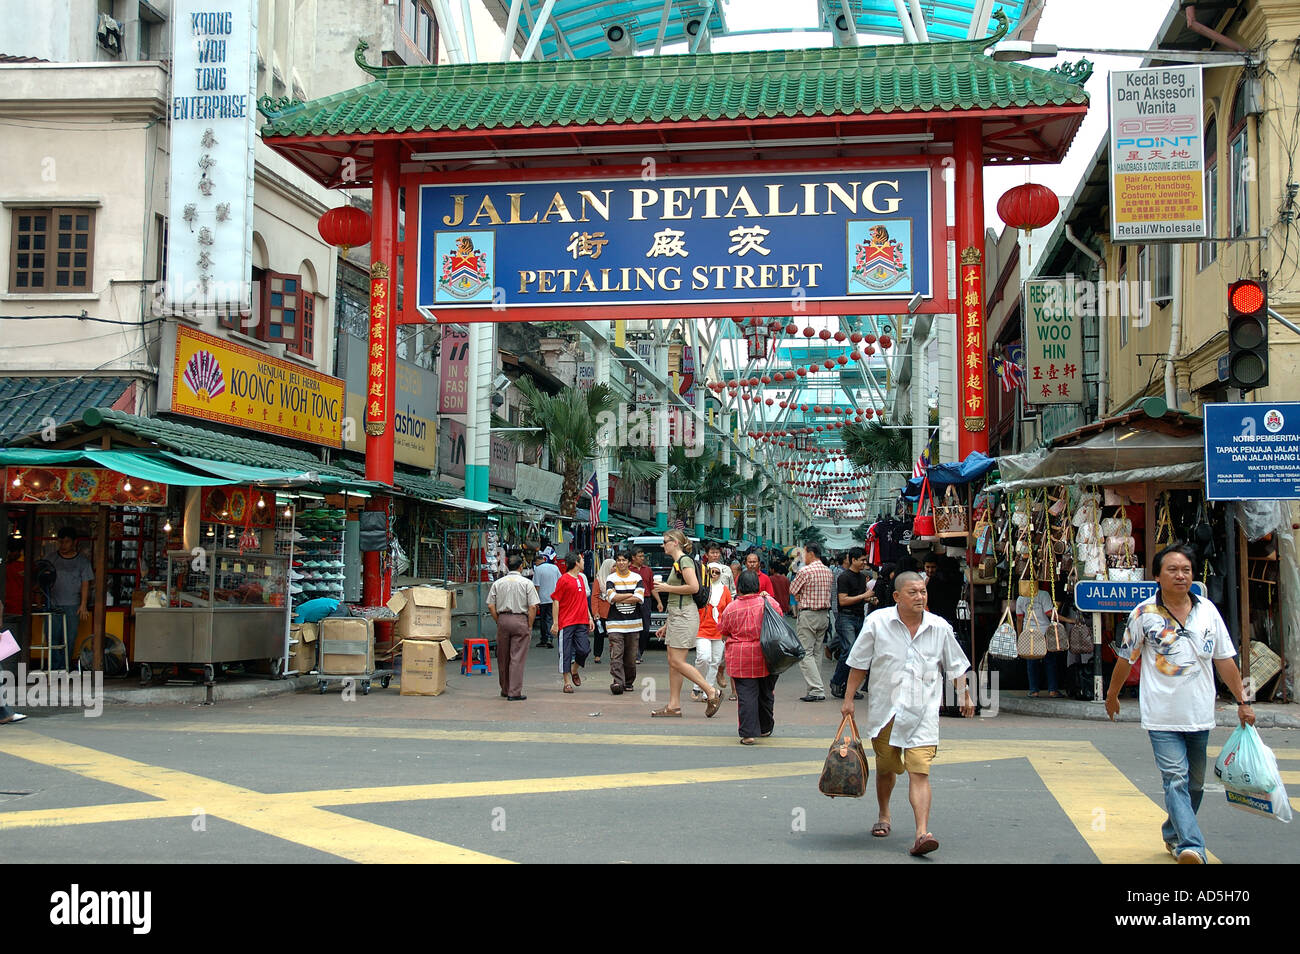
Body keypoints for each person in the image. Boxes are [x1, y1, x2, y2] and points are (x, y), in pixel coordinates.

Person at [1106, 543, 1255, 864]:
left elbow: (1225, 661)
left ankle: (1173, 833)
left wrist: (1244, 701)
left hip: (1200, 714)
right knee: (1175, 778)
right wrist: (1112, 694)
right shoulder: (1143, 614)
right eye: (1172, 570)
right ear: (1157, 576)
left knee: (1196, 784)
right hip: (1160, 715)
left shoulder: (1208, 612)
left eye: (1186, 570)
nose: (1180, 575)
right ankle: (1192, 845)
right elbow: (1125, 658)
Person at [841, 571, 974, 857]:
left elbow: (955, 666)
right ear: (897, 596)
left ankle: (922, 833)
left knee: (919, 771)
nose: (920, 597)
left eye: (923, 592)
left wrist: (964, 693)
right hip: (886, 712)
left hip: (922, 714)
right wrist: (849, 699)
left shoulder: (939, 627)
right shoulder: (877, 622)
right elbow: (859, 663)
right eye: (912, 592)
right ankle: (884, 813)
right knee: (887, 767)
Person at [651, 530, 721, 718]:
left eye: (665, 541)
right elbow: (677, 598)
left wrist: (667, 587)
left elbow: (693, 587)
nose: (662, 545)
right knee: (673, 662)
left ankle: (710, 691)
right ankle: (674, 705)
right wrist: (667, 623)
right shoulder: (678, 563)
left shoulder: (684, 561)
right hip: (677, 614)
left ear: (674, 542)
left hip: (684, 615)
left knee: (676, 661)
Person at [718, 570, 782, 744]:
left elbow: (723, 630)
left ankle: (748, 734)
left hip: (741, 656)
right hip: (768, 655)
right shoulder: (769, 603)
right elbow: (780, 618)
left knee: (746, 695)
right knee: (766, 693)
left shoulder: (731, 608)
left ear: (739, 587)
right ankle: (765, 727)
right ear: (757, 586)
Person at [485, 554, 539, 701]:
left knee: (503, 656)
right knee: (517, 657)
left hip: (502, 619)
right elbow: (533, 606)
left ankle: (505, 688)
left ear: (508, 566)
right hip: (520, 619)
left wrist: (498, 620)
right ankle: (514, 692)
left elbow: (490, 605)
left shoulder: (498, 583)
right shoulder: (527, 583)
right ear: (521, 567)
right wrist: (529, 624)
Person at [787, 543, 832, 702]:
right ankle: (814, 688)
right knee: (817, 652)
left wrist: (800, 595)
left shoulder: (805, 571)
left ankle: (817, 689)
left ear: (811, 553)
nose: (803, 556)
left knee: (805, 653)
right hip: (824, 615)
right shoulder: (828, 571)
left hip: (809, 615)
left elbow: (793, 589)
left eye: (804, 553)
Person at [45, 526, 92, 670]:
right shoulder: (51, 558)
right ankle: (54, 668)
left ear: (74, 542)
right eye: (61, 542)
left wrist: (83, 605)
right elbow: (42, 578)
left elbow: (85, 584)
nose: (63, 545)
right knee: (52, 637)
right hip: (53, 603)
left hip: (73, 605)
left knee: (70, 638)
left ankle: (64, 667)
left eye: (66, 542)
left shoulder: (82, 562)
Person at [830, 547, 870, 699]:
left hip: (859, 617)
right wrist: (864, 596)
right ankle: (837, 681)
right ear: (853, 560)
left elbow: (860, 596)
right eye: (862, 560)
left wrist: (870, 598)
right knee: (849, 650)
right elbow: (843, 600)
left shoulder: (861, 577)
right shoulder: (844, 577)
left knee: (857, 653)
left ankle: (848, 687)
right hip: (846, 618)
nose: (864, 563)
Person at [550, 550, 592, 693]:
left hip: (581, 621)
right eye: (582, 560)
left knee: (584, 649)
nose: (584, 562)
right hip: (567, 622)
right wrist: (555, 623)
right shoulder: (564, 580)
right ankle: (567, 682)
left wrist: (589, 617)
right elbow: (556, 601)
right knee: (565, 652)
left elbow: (584, 601)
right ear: (576, 563)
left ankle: (575, 669)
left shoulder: (581, 578)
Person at [603, 551, 644, 694]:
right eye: (618, 560)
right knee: (616, 654)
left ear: (629, 562)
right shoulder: (611, 578)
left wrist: (619, 597)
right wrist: (630, 595)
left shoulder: (637, 577)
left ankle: (628, 682)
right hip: (615, 624)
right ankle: (617, 682)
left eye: (624, 560)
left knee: (631, 657)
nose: (621, 563)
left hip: (634, 624)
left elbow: (639, 598)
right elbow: (611, 597)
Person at [692, 562, 732, 702]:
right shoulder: (701, 588)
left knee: (715, 662)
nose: (714, 575)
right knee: (704, 658)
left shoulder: (724, 590)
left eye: (717, 572)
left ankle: (707, 691)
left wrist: (727, 631)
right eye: (711, 572)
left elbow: (728, 611)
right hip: (702, 629)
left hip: (719, 631)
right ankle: (697, 684)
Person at [1016, 580, 1064, 698]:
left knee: (1032, 662)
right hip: (1044, 632)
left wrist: (1020, 636)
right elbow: (1049, 613)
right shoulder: (1043, 594)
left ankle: (1034, 690)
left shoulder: (1021, 598)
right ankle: (1052, 690)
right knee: (1050, 661)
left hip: (1029, 634)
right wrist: (1068, 620)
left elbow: (1019, 619)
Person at [630, 546, 655, 664]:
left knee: (645, 629)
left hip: (646, 599)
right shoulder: (628, 570)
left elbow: (652, 587)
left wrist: (659, 602)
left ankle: (640, 651)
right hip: (633, 600)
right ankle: (635, 654)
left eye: (643, 556)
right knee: (634, 627)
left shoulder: (648, 570)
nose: (642, 558)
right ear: (633, 558)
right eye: (639, 556)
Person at [532, 553, 561, 649]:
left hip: (543, 598)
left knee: (544, 619)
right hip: (554, 598)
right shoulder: (554, 568)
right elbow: (560, 581)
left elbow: (536, 585)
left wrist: (535, 600)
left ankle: (546, 638)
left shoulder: (537, 569)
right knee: (550, 618)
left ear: (537, 561)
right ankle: (547, 638)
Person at [590, 557, 615, 664]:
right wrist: (595, 612)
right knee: (599, 634)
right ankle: (597, 655)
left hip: (614, 611)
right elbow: (594, 597)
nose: (615, 568)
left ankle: (614, 654)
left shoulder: (616, 579)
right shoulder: (599, 580)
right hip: (601, 612)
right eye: (613, 566)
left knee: (614, 635)